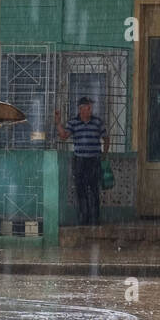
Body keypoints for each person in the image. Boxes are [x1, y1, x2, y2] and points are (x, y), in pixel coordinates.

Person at [56, 96, 109, 226]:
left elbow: (106, 138)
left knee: (94, 190)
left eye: (91, 108)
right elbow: (64, 136)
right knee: (81, 191)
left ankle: (95, 220)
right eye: (88, 107)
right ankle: (83, 219)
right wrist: (58, 123)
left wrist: (104, 154)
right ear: (81, 109)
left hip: (94, 161)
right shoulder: (73, 123)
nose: (90, 110)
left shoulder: (97, 122)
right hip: (80, 161)